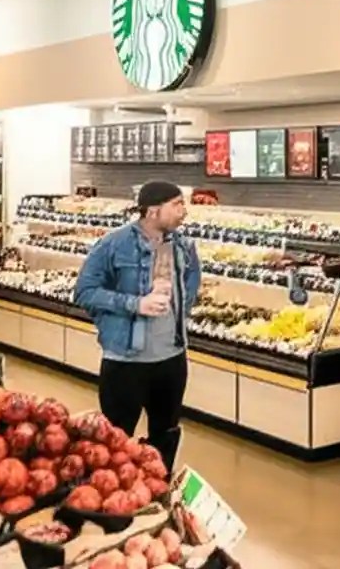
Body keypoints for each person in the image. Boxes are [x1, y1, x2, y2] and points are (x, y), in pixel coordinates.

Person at [73, 181, 200, 469]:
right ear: (154, 211)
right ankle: (117, 502)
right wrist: (135, 304)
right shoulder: (113, 244)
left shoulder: (183, 245)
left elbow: (191, 280)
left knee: (166, 435)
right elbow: (85, 292)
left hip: (172, 358)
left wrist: (181, 311)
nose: (184, 211)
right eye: (177, 205)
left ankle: (157, 494)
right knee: (116, 440)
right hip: (125, 361)